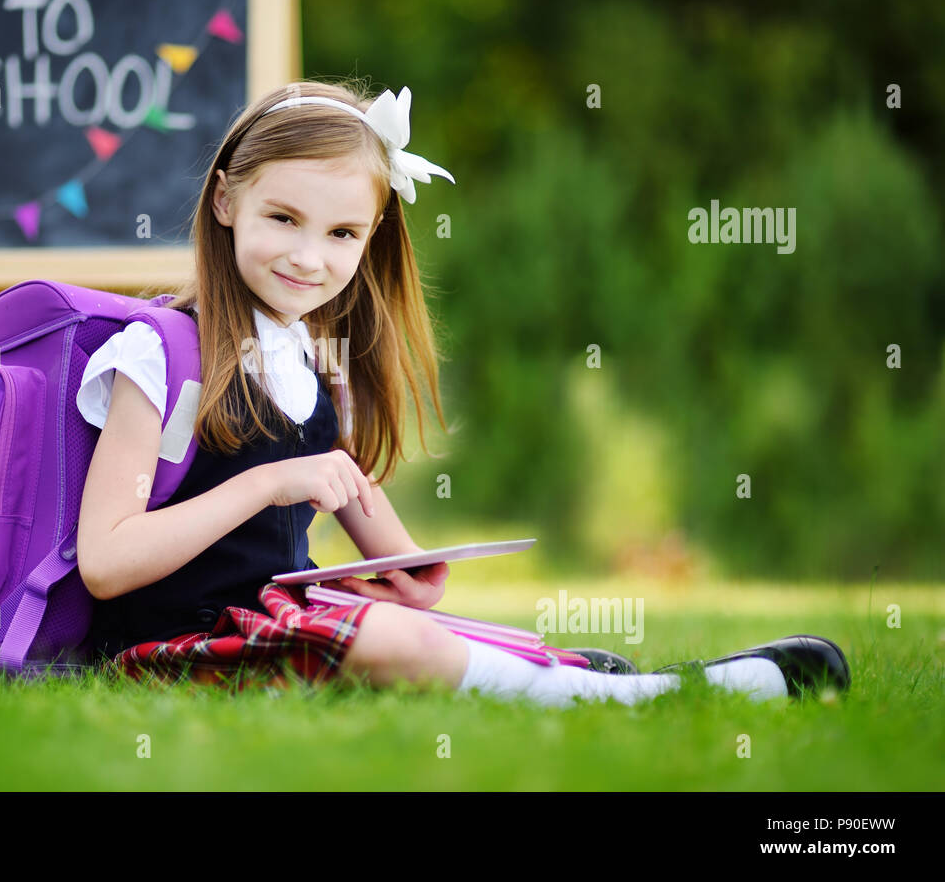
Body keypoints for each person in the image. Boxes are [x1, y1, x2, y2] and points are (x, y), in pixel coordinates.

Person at [72, 79, 852, 707]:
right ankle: (639, 698)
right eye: (284, 218)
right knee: (393, 641)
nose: (310, 258)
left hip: (281, 620)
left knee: (421, 627)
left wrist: (412, 567)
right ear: (225, 202)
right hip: (171, 645)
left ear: (371, 237)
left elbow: (377, 533)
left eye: (343, 234)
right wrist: (273, 481)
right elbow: (106, 562)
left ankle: (606, 684)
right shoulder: (161, 356)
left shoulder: (317, 362)